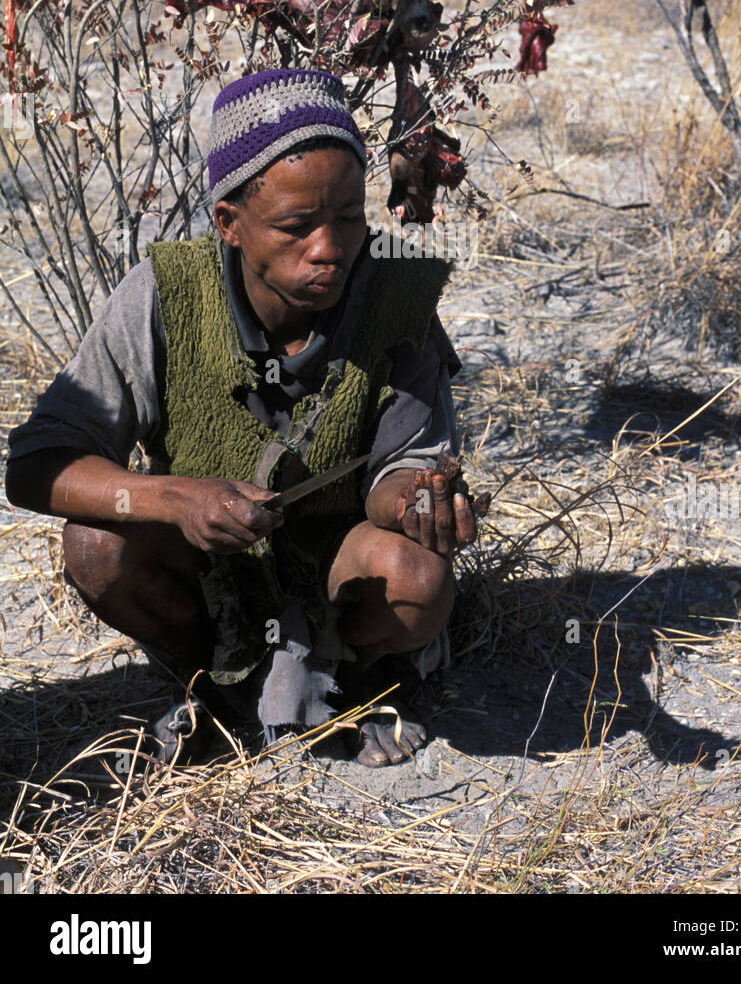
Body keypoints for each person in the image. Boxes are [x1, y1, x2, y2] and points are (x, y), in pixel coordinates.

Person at [5, 68, 486, 767]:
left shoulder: (397, 296)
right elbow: (34, 466)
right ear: (229, 223)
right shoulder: (164, 297)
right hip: (211, 572)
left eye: (350, 217)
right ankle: (209, 680)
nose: (330, 248)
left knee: (416, 577)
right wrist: (173, 497)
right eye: (296, 226)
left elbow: (399, 467)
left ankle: (358, 682)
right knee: (95, 545)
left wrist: (417, 503)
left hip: (338, 563)